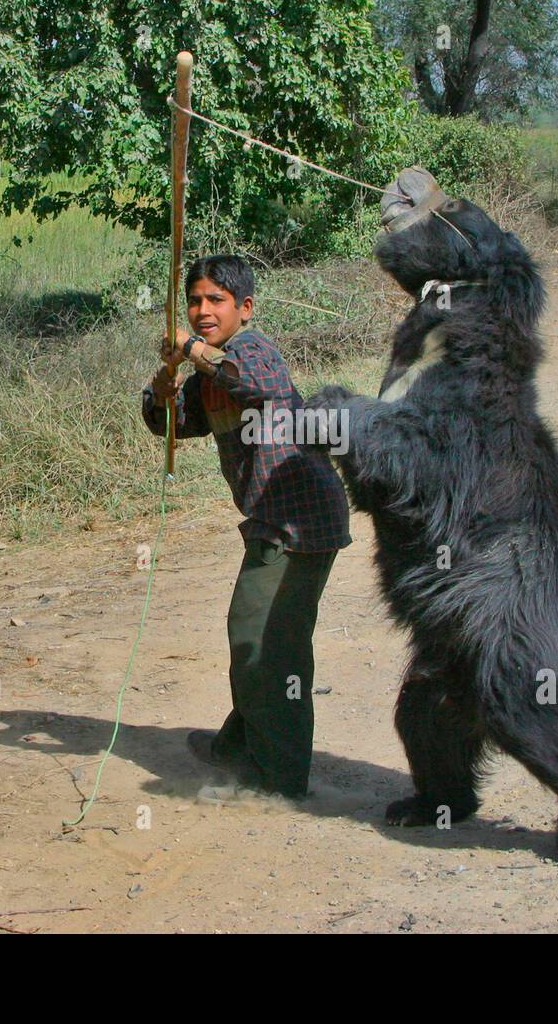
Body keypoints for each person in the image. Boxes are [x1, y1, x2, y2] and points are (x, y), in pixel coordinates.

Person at [141, 254, 351, 803]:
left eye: (216, 300)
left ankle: (276, 779)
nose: (202, 310)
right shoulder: (206, 374)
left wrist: (191, 351)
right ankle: (239, 748)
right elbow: (169, 425)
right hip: (270, 518)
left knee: (265, 643)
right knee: (258, 637)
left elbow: (252, 382)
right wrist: (164, 381)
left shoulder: (249, 352)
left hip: (299, 518)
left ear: (245, 309)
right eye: (195, 301)